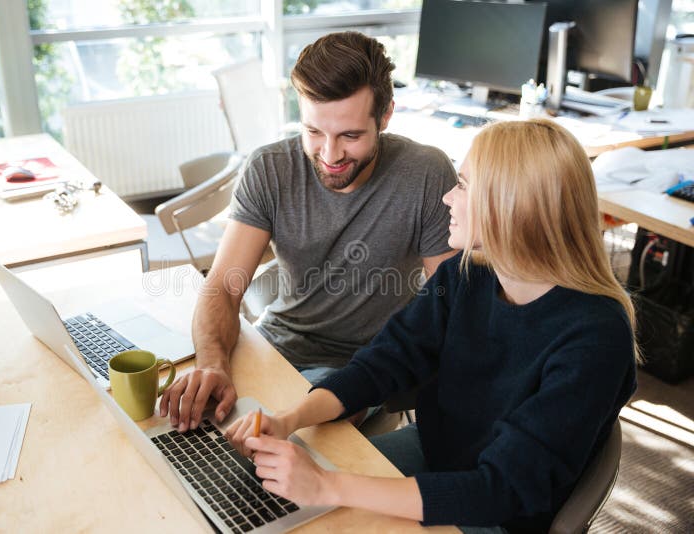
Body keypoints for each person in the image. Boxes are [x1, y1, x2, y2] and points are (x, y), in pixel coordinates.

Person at [225, 119, 638, 533]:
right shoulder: (465, 275)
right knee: (276, 506)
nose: (447, 197)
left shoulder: (596, 336)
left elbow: (501, 491)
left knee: (320, 507)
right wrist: (291, 418)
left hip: (497, 513)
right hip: (436, 453)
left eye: (463, 185)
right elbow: (385, 361)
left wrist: (329, 486)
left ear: (512, 205)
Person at [159, 31, 457, 432]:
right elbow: (224, 287)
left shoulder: (425, 173)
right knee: (190, 422)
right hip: (273, 346)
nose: (330, 155)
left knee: (268, 450)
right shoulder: (269, 169)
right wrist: (212, 362)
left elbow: (447, 304)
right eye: (314, 132)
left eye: (350, 135)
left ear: (385, 116)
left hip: (360, 370)